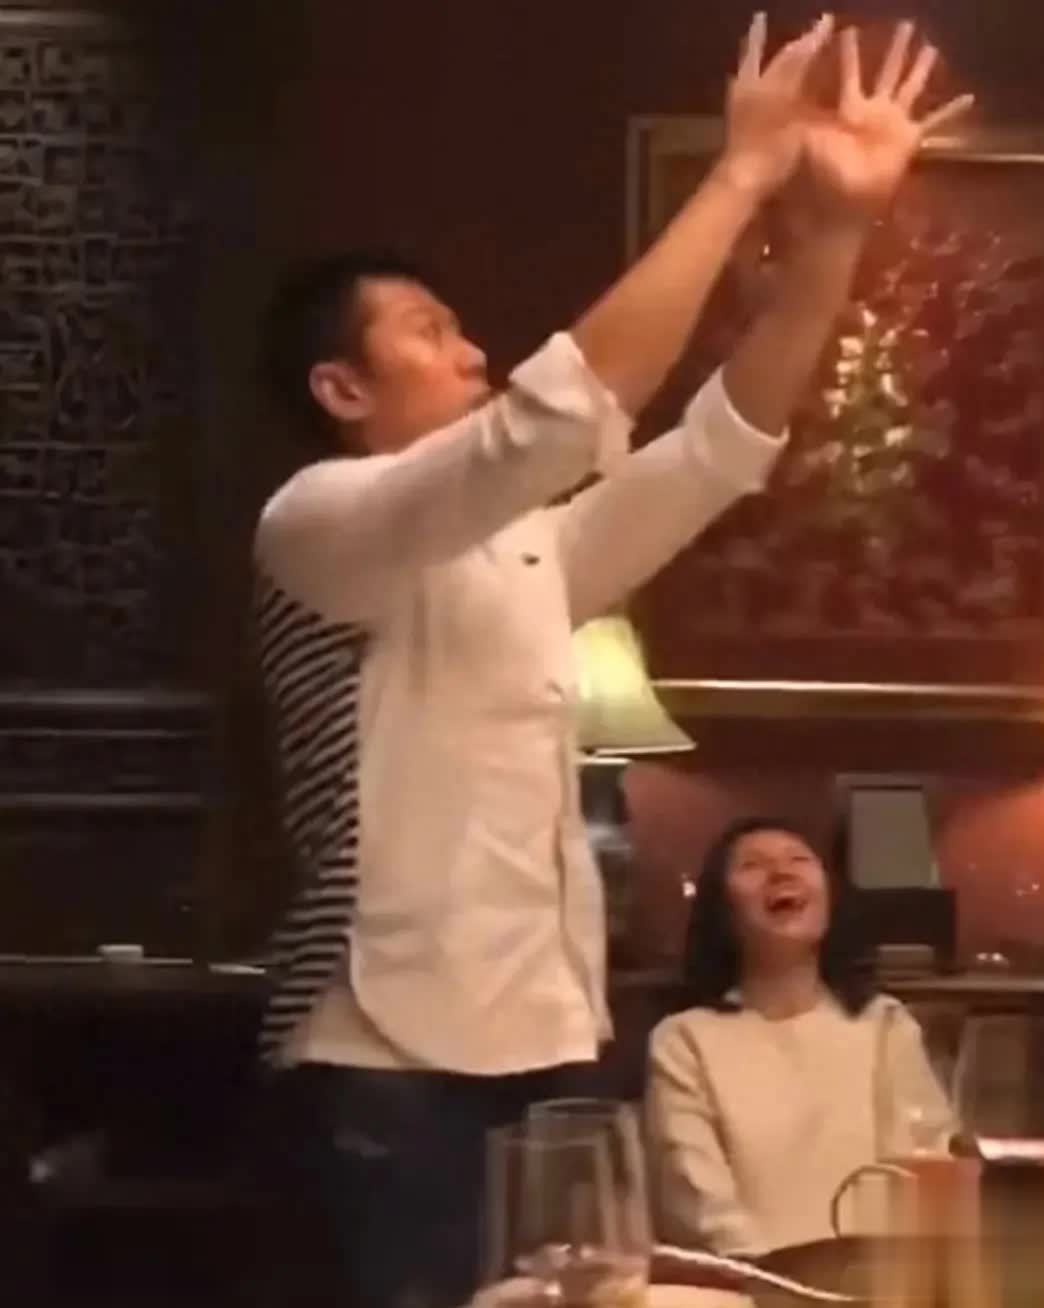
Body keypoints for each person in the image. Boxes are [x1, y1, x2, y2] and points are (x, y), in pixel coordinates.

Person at [251, 15, 971, 1308]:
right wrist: (742, 171)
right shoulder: (314, 525)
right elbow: (550, 421)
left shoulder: (530, 551)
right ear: (342, 390)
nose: (472, 353)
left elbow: (718, 448)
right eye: (429, 332)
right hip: (386, 1055)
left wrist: (837, 235)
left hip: (552, 1039)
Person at [645, 817, 956, 1257]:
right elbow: (699, 1204)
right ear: (722, 910)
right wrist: (778, 1282)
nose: (781, 872)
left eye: (799, 860)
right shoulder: (683, 1041)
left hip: (880, 1281)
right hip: (748, 1283)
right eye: (753, 865)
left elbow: (927, 1164)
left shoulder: (883, 1024)